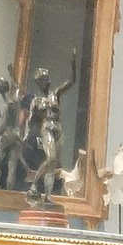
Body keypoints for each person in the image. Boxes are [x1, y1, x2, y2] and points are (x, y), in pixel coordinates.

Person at [26, 48, 77, 204]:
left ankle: (48, 196)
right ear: (39, 83)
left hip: (58, 129)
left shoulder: (56, 93)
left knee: (53, 165)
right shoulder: (37, 101)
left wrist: (73, 63)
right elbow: (31, 121)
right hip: (47, 128)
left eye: (47, 78)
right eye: (43, 79)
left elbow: (71, 81)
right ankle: (34, 184)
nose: (47, 81)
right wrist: (28, 137)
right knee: (51, 158)